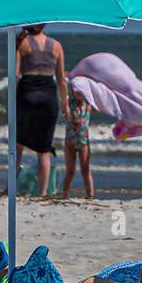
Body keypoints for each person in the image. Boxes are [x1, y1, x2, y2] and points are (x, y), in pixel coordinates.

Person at [14, 25, 67, 196]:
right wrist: (65, 103)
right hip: (48, 97)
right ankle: (43, 193)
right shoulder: (57, 45)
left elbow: (15, 74)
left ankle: (11, 187)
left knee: (18, 145)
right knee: (44, 149)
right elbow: (61, 80)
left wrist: (10, 98)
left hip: (27, 94)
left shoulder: (22, 43)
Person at [60, 84, 94, 200]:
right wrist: (64, 80)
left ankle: (90, 196)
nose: (80, 93)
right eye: (77, 90)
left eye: (82, 91)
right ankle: (64, 195)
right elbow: (62, 92)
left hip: (84, 142)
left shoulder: (88, 104)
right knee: (70, 171)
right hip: (70, 143)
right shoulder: (68, 104)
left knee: (85, 170)